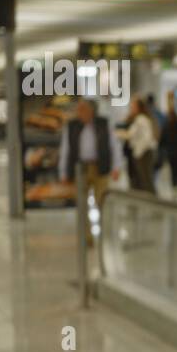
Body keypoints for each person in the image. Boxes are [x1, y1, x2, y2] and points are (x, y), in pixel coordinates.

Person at [58, 98, 122, 243]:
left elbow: (114, 146)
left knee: (103, 203)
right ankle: (86, 238)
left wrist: (116, 167)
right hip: (81, 169)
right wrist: (63, 172)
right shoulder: (72, 126)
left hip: (100, 167)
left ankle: (105, 236)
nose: (79, 113)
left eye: (83, 109)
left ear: (91, 111)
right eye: (78, 110)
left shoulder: (104, 124)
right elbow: (65, 150)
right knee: (81, 204)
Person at [118, 98, 158, 193]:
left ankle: (153, 204)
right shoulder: (138, 119)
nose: (131, 109)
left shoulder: (141, 119)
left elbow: (146, 138)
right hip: (141, 153)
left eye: (133, 106)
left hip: (144, 153)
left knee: (146, 182)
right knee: (141, 181)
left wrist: (138, 152)